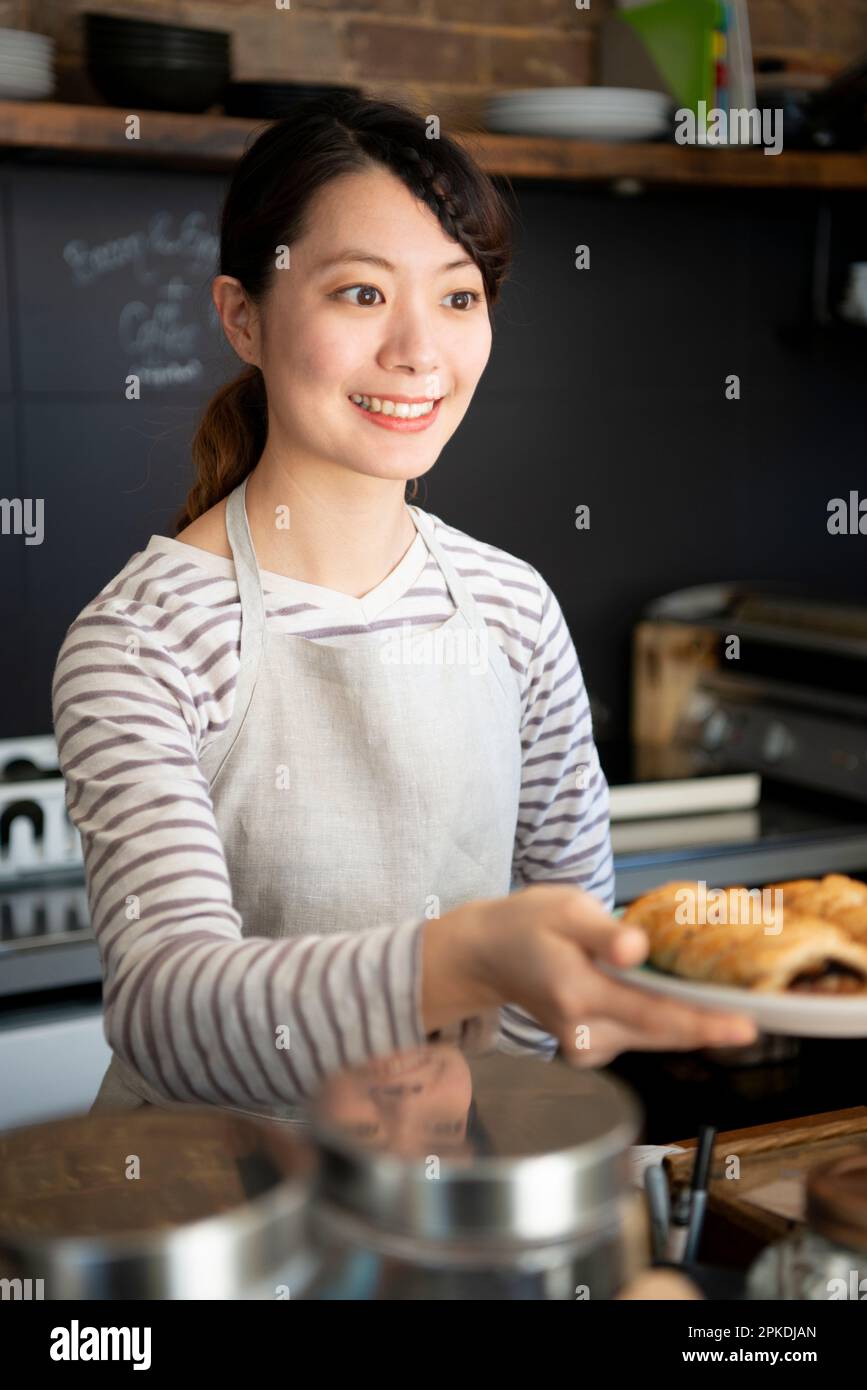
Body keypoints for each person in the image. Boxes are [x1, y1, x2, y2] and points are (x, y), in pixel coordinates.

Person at [52, 94, 757, 1123]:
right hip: (210, 1222)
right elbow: (168, 1007)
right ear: (243, 317)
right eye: (360, 293)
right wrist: (457, 959)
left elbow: (577, 940)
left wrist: (475, 1119)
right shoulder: (144, 639)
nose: (420, 351)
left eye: (460, 298)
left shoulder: (514, 611)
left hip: (450, 1208)